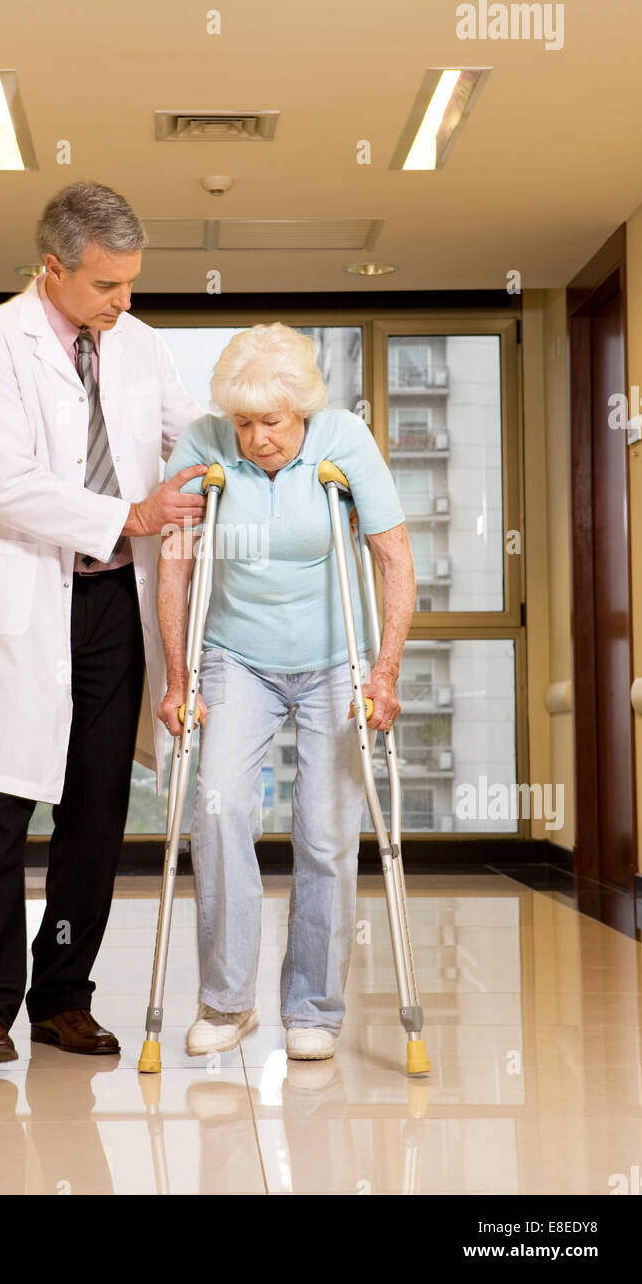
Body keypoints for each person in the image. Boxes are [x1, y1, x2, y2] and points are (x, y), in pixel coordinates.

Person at [0, 181, 207, 1066]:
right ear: (53, 269)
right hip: (29, 595)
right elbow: (7, 486)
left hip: (111, 606)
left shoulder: (136, 345)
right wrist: (132, 515)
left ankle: (64, 997)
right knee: (0, 805)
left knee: (95, 811)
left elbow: (190, 439)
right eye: (106, 287)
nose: (123, 303)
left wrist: (263, 443)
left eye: (131, 284)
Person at [157, 323, 415, 1061]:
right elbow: (175, 568)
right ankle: (226, 1001)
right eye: (243, 423)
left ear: (301, 410)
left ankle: (313, 1009)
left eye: (271, 422)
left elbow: (394, 561)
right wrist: (179, 679)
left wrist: (385, 671)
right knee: (218, 809)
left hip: (337, 656)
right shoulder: (204, 445)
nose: (256, 438)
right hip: (236, 656)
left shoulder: (345, 439)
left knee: (328, 834)